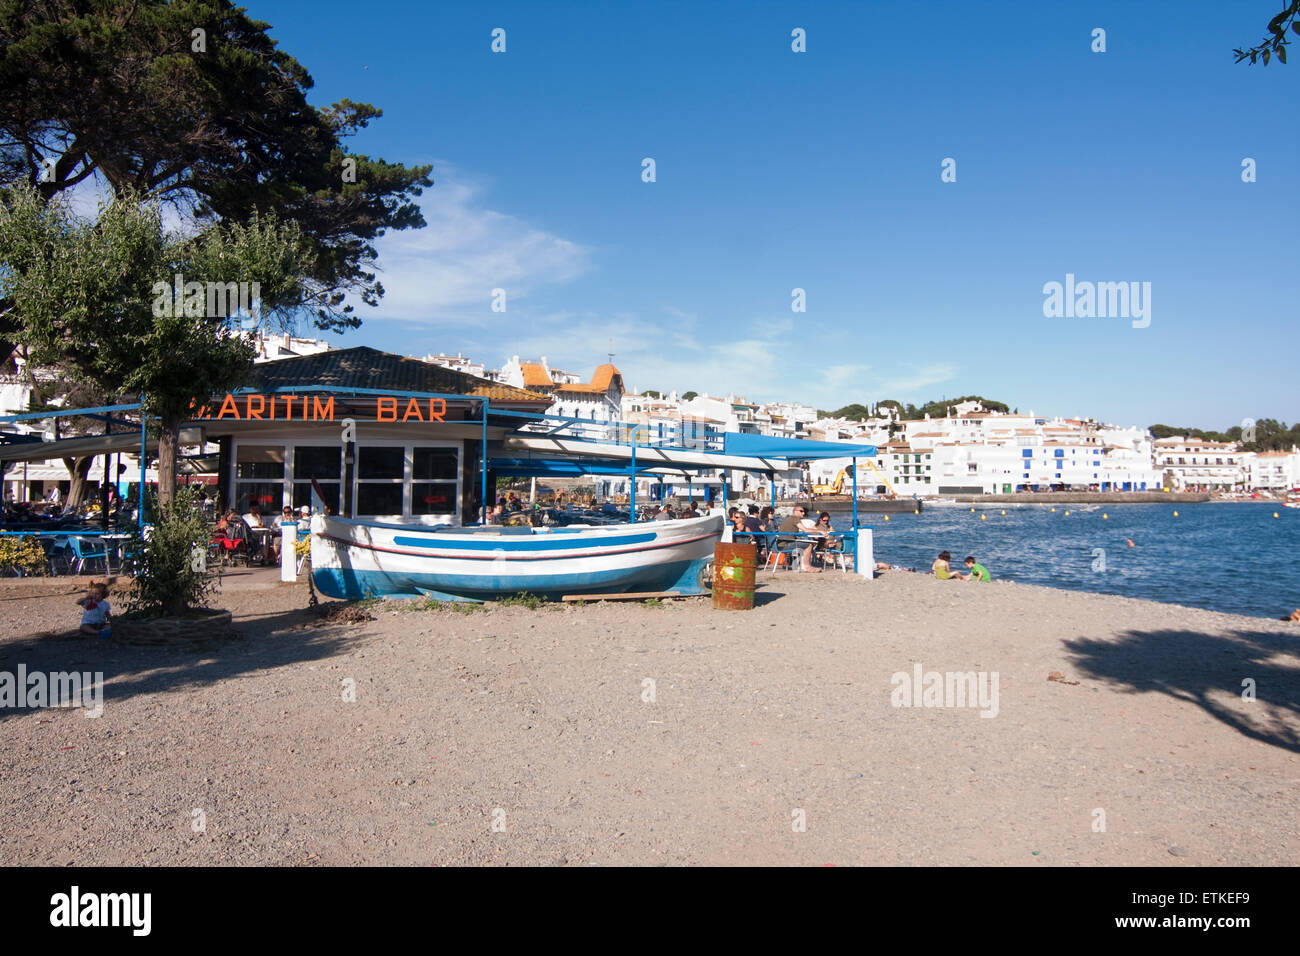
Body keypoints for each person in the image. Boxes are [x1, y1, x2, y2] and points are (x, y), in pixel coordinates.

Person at [777, 505, 817, 571]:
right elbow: (805, 530)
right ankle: (806, 566)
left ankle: (801, 565)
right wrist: (820, 531)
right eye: (801, 511)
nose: (803, 513)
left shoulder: (789, 518)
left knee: (804, 543)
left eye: (804, 511)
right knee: (809, 544)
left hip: (781, 544)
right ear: (794, 511)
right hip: (785, 545)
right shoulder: (794, 518)